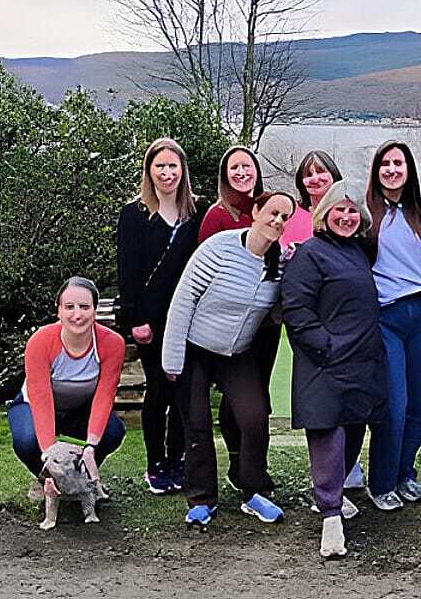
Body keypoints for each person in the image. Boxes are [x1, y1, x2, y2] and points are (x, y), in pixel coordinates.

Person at [162, 191, 297, 528]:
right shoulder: (219, 247)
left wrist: (295, 271)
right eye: (273, 213)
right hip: (196, 348)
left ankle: (252, 490)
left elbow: (279, 311)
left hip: (237, 352)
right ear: (255, 211)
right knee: (196, 424)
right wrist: (172, 360)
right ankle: (201, 498)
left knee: (253, 417)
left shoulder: (279, 262)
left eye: (285, 217)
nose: (278, 221)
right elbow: (184, 299)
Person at [281, 181, 386, 557]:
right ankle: (329, 517)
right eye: (338, 209)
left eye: (353, 210)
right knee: (328, 434)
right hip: (325, 361)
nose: (346, 216)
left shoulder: (359, 251)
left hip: (362, 361)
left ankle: (335, 497)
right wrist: (325, 346)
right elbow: (296, 310)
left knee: (355, 429)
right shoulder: (309, 254)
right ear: (324, 213)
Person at [116, 137, 208, 495]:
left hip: (186, 318)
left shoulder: (196, 212)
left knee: (184, 391)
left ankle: (178, 460)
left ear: (182, 170)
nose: (167, 173)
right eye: (160, 166)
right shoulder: (135, 214)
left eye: (173, 166)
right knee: (157, 392)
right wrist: (135, 320)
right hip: (150, 322)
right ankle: (156, 464)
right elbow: (129, 271)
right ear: (149, 171)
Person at [365, 140, 421, 511]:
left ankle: (405, 474)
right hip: (386, 316)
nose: (391, 169)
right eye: (385, 163)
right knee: (395, 405)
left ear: (408, 169)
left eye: (398, 163)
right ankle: (381, 482)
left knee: (419, 403)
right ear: (377, 170)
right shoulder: (366, 211)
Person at [280, 150, 366, 490]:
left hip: (349, 332)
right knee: (322, 408)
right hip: (311, 324)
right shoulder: (294, 216)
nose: (315, 179)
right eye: (308, 174)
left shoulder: (354, 232)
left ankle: (348, 470)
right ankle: (329, 487)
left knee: (352, 405)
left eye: (322, 173)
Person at [197, 146, 279, 493]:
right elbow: (204, 272)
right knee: (236, 398)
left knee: (259, 396)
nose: (242, 173)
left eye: (247, 166)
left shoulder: (270, 211)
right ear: (224, 174)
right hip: (232, 324)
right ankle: (236, 463)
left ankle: (255, 466)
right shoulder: (218, 216)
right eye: (234, 168)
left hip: (267, 323)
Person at [9, 277, 126, 499]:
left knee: (112, 432)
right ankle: (45, 481)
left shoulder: (112, 343)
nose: (77, 315)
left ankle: (82, 477)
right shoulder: (40, 341)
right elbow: (41, 399)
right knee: (26, 440)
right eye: (69, 307)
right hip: (33, 406)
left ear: (94, 311)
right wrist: (49, 458)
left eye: (84, 307)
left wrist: (91, 446)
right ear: (59, 311)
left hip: (79, 411)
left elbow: (104, 395)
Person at [281, 149, 342, 248]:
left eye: (320, 171)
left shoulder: (349, 213)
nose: (315, 179)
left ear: (334, 175)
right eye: (308, 175)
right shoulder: (290, 213)